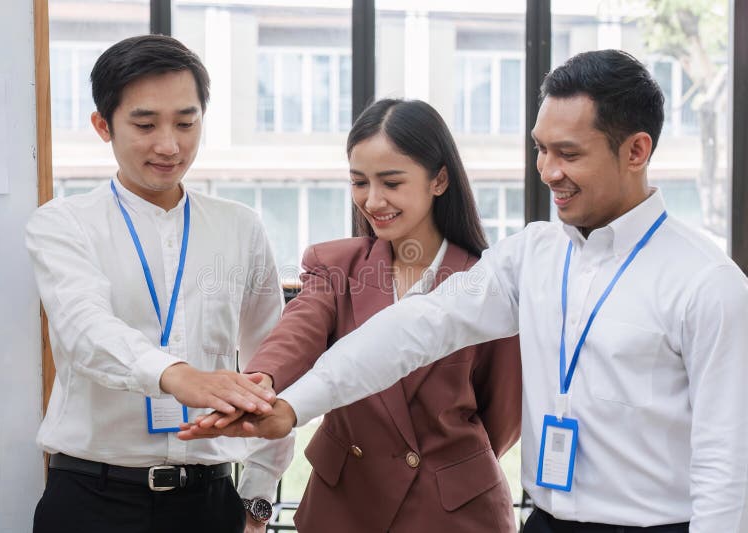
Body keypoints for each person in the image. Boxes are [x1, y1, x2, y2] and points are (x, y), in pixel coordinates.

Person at [184, 50, 748, 532]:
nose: (547, 171)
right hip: (545, 521)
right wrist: (290, 406)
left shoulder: (707, 284)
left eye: (569, 153)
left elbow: (728, 466)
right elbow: (413, 330)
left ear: (636, 151)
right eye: (540, 149)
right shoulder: (533, 254)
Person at [183, 99, 522, 531]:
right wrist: (263, 382)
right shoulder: (335, 265)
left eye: (391, 182)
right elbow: (298, 333)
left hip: (451, 511)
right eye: (359, 182)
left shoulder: (487, 282)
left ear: (439, 179)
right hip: (346, 505)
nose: (373, 200)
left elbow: (502, 416)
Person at [26, 35, 293, 533]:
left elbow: (273, 362)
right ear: (103, 125)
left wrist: (257, 494)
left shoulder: (240, 227)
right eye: (145, 124)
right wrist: (179, 375)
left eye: (186, 123)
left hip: (209, 500)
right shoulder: (64, 223)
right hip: (92, 499)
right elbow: (85, 331)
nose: (169, 145)